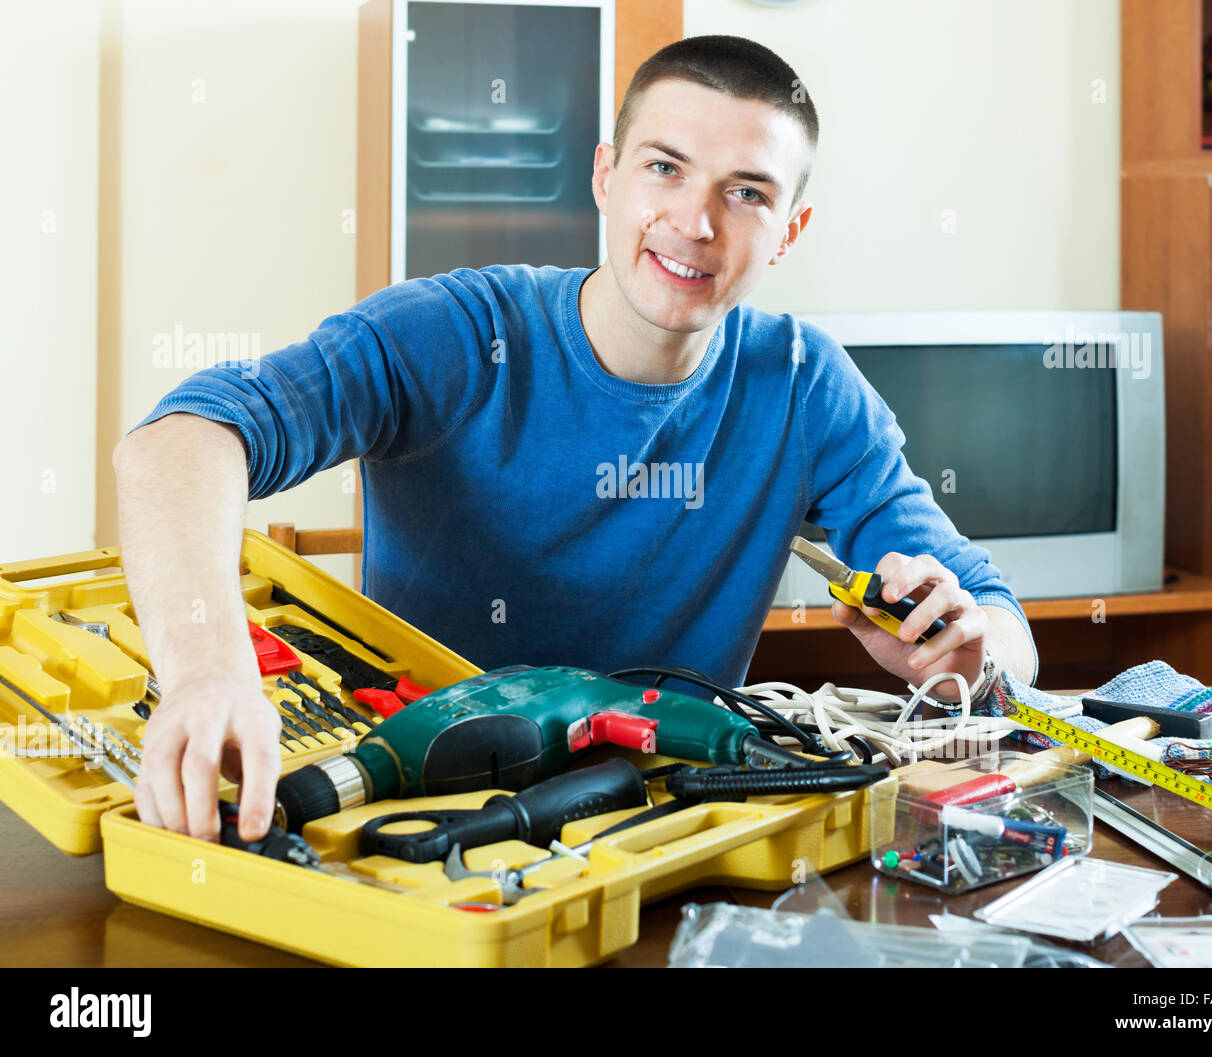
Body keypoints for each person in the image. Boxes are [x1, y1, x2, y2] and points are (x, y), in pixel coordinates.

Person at [113, 35, 1037, 845]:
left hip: (672, 830)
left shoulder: (805, 383)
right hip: (404, 815)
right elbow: (179, 440)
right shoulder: (452, 332)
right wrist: (206, 667)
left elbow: (1001, 622)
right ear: (606, 175)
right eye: (664, 168)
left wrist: (969, 653)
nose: (695, 222)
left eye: (745, 192)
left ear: (788, 228)